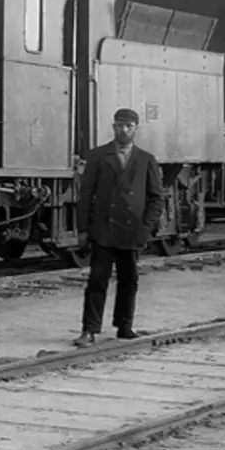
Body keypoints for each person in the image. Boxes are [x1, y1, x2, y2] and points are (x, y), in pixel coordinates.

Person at [73, 108, 164, 348]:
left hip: (132, 230)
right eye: (119, 126)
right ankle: (90, 329)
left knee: (129, 280)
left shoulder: (146, 160)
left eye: (128, 126)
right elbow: (85, 195)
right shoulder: (98, 156)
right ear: (113, 127)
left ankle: (125, 326)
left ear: (136, 128)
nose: (123, 130)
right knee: (97, 280)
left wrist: (146, 229)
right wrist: (83, 229)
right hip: (104, 229)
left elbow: (156, 198)